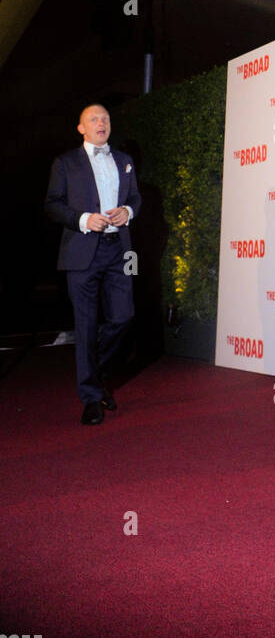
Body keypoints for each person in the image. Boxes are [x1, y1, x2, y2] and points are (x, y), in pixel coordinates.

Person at [44, 104, 141, 425]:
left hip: (121, 252)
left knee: (124, 317)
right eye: (94, 119)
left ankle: (96, 377)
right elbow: (52, 205)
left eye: (106, 118)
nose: (101, 123)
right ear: (81, 128)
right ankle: (91, 396)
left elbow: (136, 198)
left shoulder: (125, 162)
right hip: (81, 252)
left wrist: (128, 210)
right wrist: (83, 218)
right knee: (85, 326)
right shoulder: (65, 163)